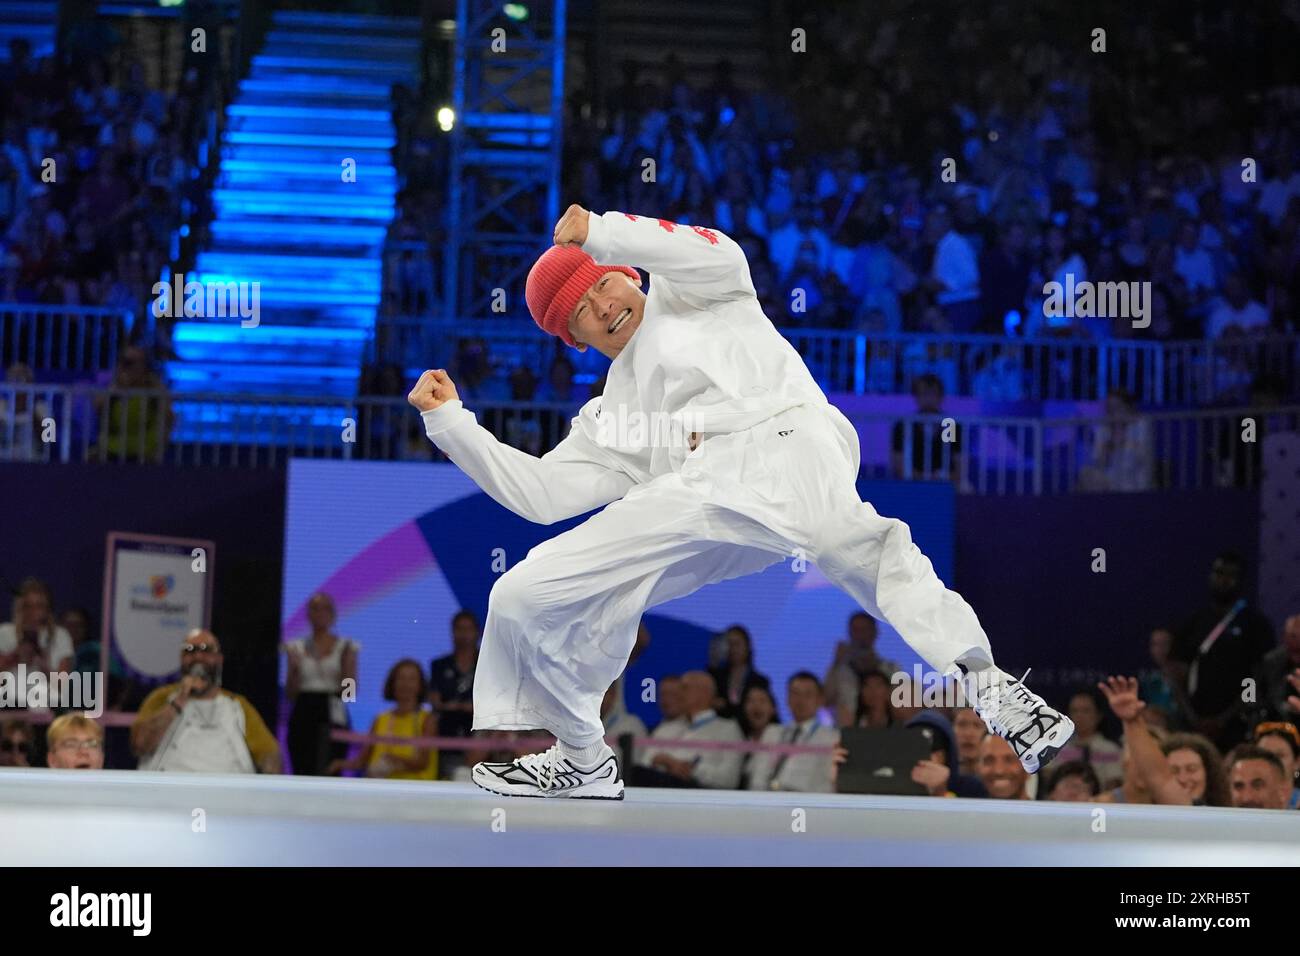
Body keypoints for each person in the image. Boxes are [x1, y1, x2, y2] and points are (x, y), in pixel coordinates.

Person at [408, 204, 1073, 799]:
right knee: (529, 593)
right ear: (576, 341)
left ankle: (996, 693)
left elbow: (714, 250)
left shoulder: (693, 290)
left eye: (603, 283)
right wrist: (453, 426)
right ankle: (582, 755)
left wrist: (605, 228)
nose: (602, 305)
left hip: (782, 441)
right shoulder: (613, 414)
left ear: (628, 272)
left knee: (862, 551)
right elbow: (543, 494)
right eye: (580, 312)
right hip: (701, 493)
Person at [131, 629, 282, 774]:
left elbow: (269, 755)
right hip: (171, 792)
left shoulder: (238, 705)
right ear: (181, 658)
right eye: (190, 650)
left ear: (219, 659)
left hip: (226, 794)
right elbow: (139, 745)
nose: (198, 656)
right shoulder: (161, 697)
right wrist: (179, 700)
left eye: (206, 650)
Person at [283, 592, 358, 775]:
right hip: (304, 708)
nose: (320, 614)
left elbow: (350, 695)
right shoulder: (296, 647)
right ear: (308, 614)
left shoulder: (347, 646)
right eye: (315, 609)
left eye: (325, 609)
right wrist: (293, 670)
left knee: (330, 766)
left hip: (333, 708)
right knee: (303, 764)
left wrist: (346, 669)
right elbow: (290, 695)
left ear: (333, 614)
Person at [330, 659, 436, 780]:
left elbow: (423, 762)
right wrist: (337, 764)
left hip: (413, 792)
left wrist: (394, 760)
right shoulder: (381, 719)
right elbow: (361, 762)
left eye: (411, 679)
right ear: (392, 683)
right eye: (401, 678)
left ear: (420, 685)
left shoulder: (427, 719)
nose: (405, 684)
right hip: (380, 790)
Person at [747, 672, 839, 793]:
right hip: (768, 802)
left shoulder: (831, 737)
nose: (800, 700)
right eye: (795, 693)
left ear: (820, 700)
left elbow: (827, 784)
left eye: (808, 694)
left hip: (806, 804)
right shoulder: (772, 732)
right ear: (787, 698)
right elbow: (758, 777)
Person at [428, 609, 479, 779]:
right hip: (447, 725)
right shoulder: (439, 665)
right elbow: (435, 700)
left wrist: (470, 707)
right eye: (459, 629)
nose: (464, 634)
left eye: (468, 629)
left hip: (478, 726)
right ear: (452, 632)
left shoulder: (489, 664)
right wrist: (451, 706)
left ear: (477, 632)